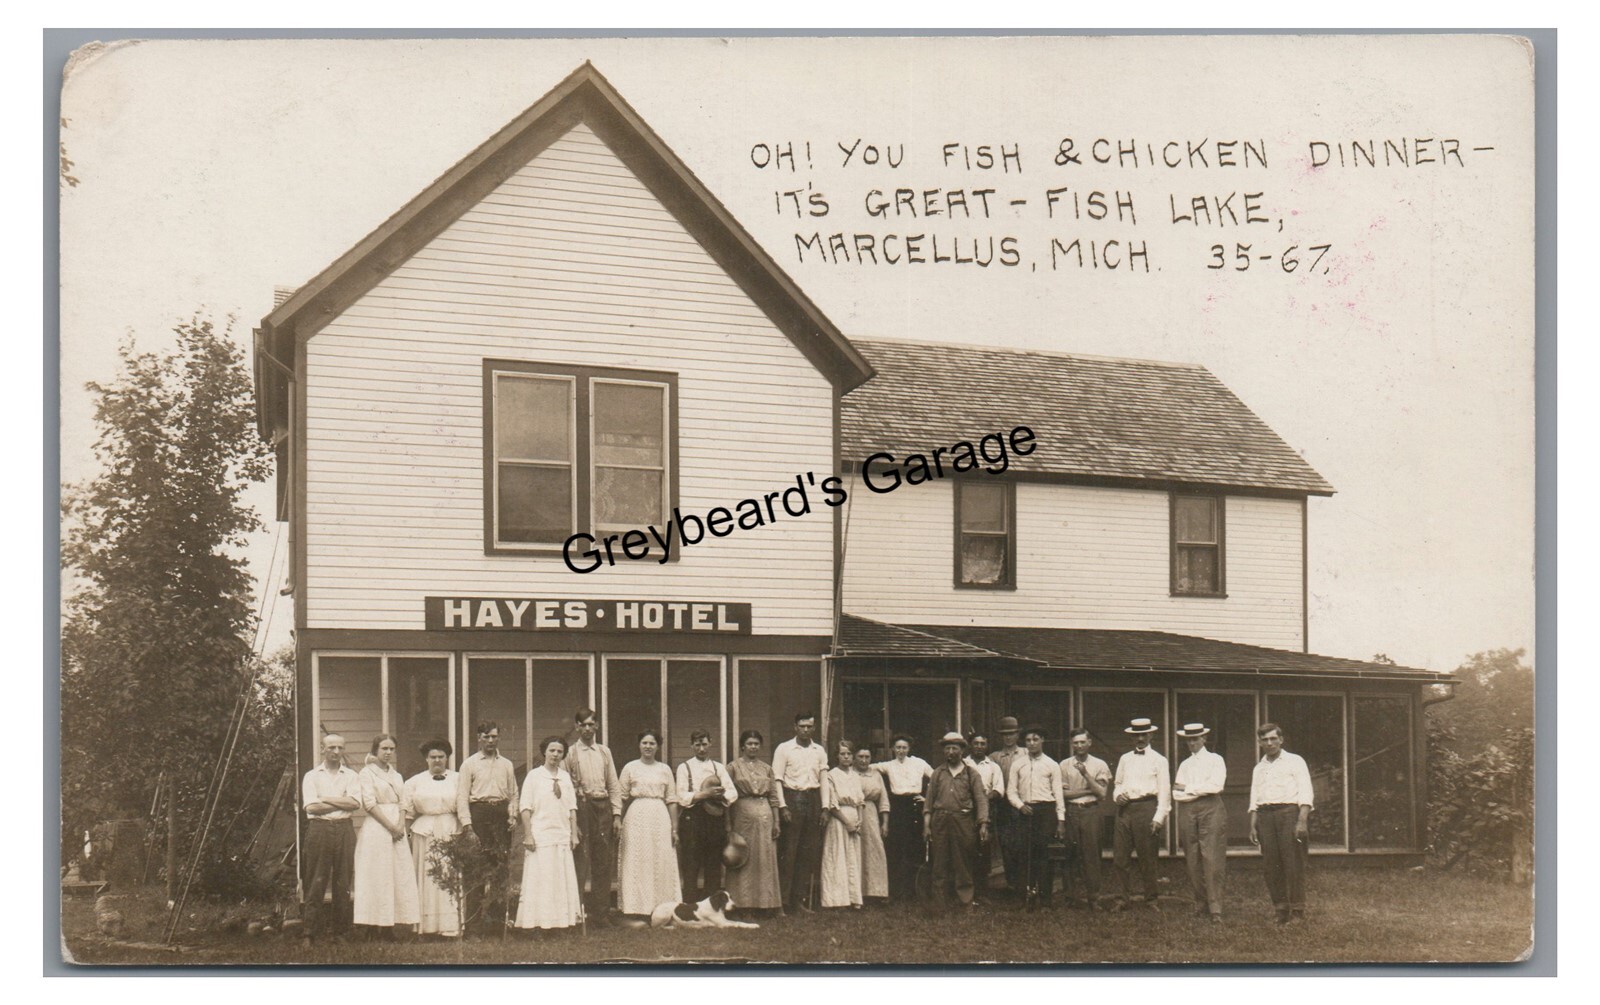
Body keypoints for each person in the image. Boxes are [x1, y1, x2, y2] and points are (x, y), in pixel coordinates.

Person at [353, 734, 420, 937]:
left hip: (397, 829)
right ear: (375, 750)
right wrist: (391, 827)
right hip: (378, 827)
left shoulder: (397, 776)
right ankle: (372, 926)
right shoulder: (367, 773)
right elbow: (369, 804)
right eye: (384, 748)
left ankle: (389, 926)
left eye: (391, 749)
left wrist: (400, 825)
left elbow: (403, 803)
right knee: (377, 875)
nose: (388, 752)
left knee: (396, 874)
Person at [1249, 722, 1314, 925]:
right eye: (1265, 740)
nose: (1269, 743)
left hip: (1289, 814)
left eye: (1273, 739)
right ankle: (1281, 909)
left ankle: (1297, 910)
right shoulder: (1259, 768)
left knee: (1293, 863)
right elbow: (1255, 797)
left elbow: (1306, 791)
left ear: (1281, 740)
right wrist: (1253, 824)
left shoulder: (1295, 761)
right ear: (1260, 742)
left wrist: (1301, 820)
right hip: (1265, 816)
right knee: (1271, 865)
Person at [456, 720, 519, 933]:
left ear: (498, 737)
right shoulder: (469, 764)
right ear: (479, 738)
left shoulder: (507, 764)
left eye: (494, 736)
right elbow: (462, 797)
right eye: (486, 736)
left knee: (500, 869)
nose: (491, 740)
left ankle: (497, 924)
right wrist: (468, 826)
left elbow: (514, 794)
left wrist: (512, 815)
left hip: (501, 814)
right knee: (476, 871)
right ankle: (473, 926)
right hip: (479, 815)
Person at [516, 736, 583, 931]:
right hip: (541, 835)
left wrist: (573, 834)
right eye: (552, 750)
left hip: (561, 834)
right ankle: (537, 923)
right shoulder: (534, 776)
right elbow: (525, 808)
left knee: (560, 879)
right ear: (544, 752)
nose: (555, 754)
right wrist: (528, 835)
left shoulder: (565, 777)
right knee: (541, 879)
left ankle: (560, 923)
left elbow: (572, 808)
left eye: (560, 751)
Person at [564, 707, 621, 922]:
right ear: (577, 727)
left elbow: (613, 784)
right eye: (583, 725)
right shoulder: (570, 753)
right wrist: (573, 821)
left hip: (602, 806)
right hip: (582, 807)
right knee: (581, 860)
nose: (588, 729)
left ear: (596, 726)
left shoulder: (604, 752)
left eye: (591, 724)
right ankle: (577, 913)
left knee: (603, 860)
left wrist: (616, 815)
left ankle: (601, 914)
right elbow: (566, 788)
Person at [616, 729, 682, 917]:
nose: (648, 746)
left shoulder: (665, 769)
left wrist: (674, 828)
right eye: (644, 743)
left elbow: (671, 799)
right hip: (636, 816)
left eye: (652, 743)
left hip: (660, 816)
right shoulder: (630, 767)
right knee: (637, 859)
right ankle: (635, 907)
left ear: (658, 746)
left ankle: (662, 907)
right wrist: (617, 819)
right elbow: (620, 797)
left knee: (660, 859)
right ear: (639, 745)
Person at [301, 733, 359, 942]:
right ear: (323, 749)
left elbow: (355, 803)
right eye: (332, 747)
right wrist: (340, 801)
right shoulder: (311, 776)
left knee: (343, 882)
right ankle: (310, 932)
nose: (336, 752)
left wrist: (324, 798)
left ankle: (340, 932)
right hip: (320, 829)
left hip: (344, 829)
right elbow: (312, 807)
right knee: (316, 880)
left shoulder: (351, 776)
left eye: (340, 748)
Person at [402, 739, 461, 938]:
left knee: (449, 876)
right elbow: (407, 815)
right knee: (427, 878)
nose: (437, 760)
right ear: (426, 759)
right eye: (433, 757)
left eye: (441, 756)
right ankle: (426, 927)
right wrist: (407, 839)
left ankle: (450, 926)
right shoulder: (414, 782)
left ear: (447, 758)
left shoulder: (458, 779)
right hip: (424, 834)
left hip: (451, 830)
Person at [924, 732, 990, 910]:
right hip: (940, 821)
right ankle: (939, 903)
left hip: (963, 821)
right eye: (947, 748)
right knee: (939, 862)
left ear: (962, 751)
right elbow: (929, 802)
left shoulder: (971, 774)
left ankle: (965, 901)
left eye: (954, 748)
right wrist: (927, 826)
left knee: (963, 862)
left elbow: (981, 799)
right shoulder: (938, 773)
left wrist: (983, 823)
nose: (951, 752)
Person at [1112, 717, 1171, 912]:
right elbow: (1118, 784)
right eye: (1136, 735)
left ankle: (1151, 899)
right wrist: (1118, 796)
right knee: (1121, 857)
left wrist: (1159, 817)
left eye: (1143, 734)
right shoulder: (1125, 759)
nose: (1140, 738)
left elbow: (1165, 791)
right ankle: (1122, 899)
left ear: (1151, 735)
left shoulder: (1159, 760)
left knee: (1148, 858)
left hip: (1147, 808)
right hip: (1125, 810)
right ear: (1131, 737)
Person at [772, 712, 828, 913]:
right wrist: (783, 806)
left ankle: (798, 900)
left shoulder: (819, 750)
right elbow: (777, 779)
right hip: (792, 799)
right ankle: (782, 902)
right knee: (789, 852)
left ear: (814, 728)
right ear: (795, 727)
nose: (805, 730)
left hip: (813, 800)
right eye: (802, 726)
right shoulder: (784, 748)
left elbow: (824, 779)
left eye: (809, 726)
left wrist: (825, 807)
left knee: (807, 853)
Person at [1173, 722, 1228, 922]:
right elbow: (1176, 793)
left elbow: (1216, 786)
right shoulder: (1185, 765)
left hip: (1211, 808)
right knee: (1192, 856)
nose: (1192, 743)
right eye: (1189, 739)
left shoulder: (1216, 760)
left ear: (1204, 738)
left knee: (1211, 857)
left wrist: (1190, 789)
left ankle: (1215, 908)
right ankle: (1200, 902)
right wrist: (1198, 789)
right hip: (1187, 810)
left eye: (1195, 739)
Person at [1006, 725, 1064, 911]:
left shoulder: (1052, 764)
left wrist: (1060, 820)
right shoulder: (1018, 764)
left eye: (1035, 739)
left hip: (1046, 812)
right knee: (1024, 856)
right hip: (1025, 811)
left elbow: (1058, 794)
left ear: (1042, 740)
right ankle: (1025, 898)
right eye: (1028, 740)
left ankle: (1045, 900)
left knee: (1044, 856)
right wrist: (1020, 806)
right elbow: (1011, 791)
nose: (1031, 743)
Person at [675, 728, 737, 902]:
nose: (701, 749)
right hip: (692, 818)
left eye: (704, 744)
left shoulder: (718, 768)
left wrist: (719, 796)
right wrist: (704, 794)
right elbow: (681, 796)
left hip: (715, 818)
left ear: (710, 743)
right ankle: (690, 905)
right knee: (691, 864)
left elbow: (732, 793)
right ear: (691, 746)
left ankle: (712, 906)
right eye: (697, 745)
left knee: (713, 864)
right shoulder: (684, 767)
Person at [727, 730, 783, 913]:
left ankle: (765, 904)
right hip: (742, 817)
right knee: (744, 857)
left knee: (764, 858)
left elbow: (773, 796)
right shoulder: (733, 767)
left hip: (765, 817)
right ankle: (742, 904)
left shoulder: (767, 768)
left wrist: (777, 822)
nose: (753, 747)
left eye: (756, 744)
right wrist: (728, 823)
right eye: (749, 743)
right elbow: (727, 796)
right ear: (742, 746)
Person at [875, 735, 933, 901]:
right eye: (898, 747)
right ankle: (896, 891)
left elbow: (936, 778)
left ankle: (914, 891)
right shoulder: (888, 765)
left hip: (914, 806)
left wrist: (927, 798)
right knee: (896, 848)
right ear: (893, 749)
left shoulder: (919, 763)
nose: (901, 751)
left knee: (915, 847)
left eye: (904, 747)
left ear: (909, 749)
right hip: (897, 807)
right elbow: (867, 768)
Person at [1059, 727, 1112, 911]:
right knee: (1070, 855)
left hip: (1091, 811)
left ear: (1089, 742)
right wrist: (1089, 790)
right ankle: (1070, 897)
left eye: (1082, 742)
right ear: (1071, 744)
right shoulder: (1064, 765)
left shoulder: (1099, 764)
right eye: (1076, 743)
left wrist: (1085, 774)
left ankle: (1093, 898)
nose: (1079, 746)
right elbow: (1063, 794)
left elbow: (1102, 794)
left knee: (1092, 855)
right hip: (1072, 812)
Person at [820, 740, 866, 909]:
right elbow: (832, 804)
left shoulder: (855, 775)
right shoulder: (831, 775)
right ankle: (837, 900)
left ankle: (854, 898)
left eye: (849, 754)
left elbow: (860, 801)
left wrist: (859, 820)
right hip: (839, 820)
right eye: (842, 754)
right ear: (837, 756)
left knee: (853, 858)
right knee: (838, 857)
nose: (846, 757)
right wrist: (847, 823)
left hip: (854, 818)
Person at [988, 716, 1027, 895]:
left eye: (1012, 734)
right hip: (1003, 806)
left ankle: (1024, 884)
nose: (1008, 737)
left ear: (1017, 735)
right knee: (1006, 844)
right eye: (1005, 734)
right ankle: (1011, 883)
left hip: (1022, 804)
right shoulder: (994, 757)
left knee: (1022, 843)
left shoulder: (1026, 753)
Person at [968, 732, 1005, 902]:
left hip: (987, 809)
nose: (979, 747)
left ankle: (982, 891)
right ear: (970, 745)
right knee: (967, 848)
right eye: (976, 743)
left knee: (983, 849)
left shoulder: (993, 766)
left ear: (987, 746)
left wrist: (983, 798)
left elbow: (999, 789)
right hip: (967, 810)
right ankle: (967, 890)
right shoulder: (964, 763)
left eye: (982, 743)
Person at [851, 747, 891, 902]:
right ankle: (856, 892)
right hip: (853, 813)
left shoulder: (876, 775)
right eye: (860, 756)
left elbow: (884, 800)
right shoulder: (850, 773)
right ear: (854, 758)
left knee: (874, 850)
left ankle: (876, 891)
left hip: (871, 814)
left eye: (867, 757)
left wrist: (885, 823)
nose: (863, 760)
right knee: (855, 850)